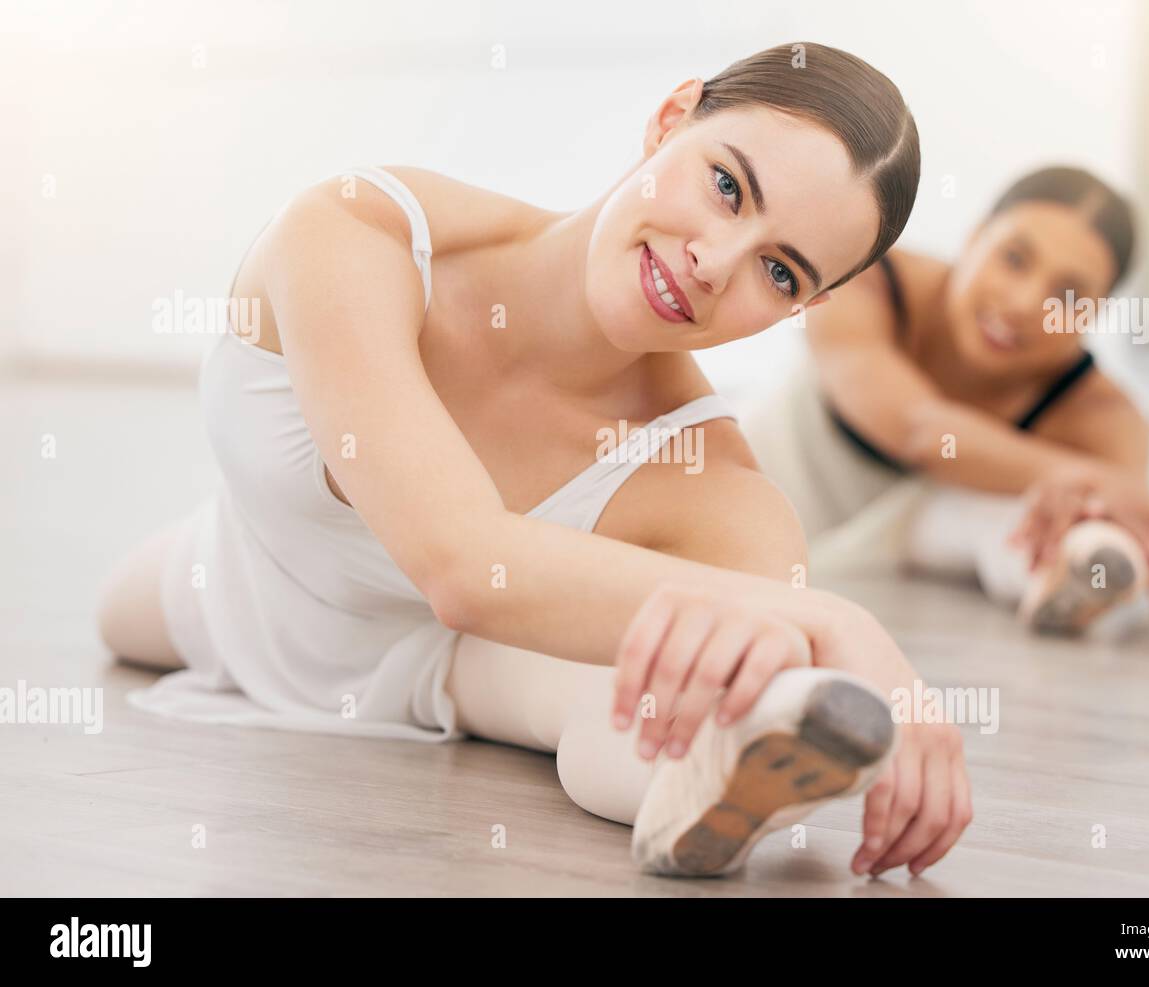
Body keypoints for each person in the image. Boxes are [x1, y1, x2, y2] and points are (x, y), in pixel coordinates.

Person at [96, 43, 971, 879]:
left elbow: (684, 659)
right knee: (114, 617)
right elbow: (462, 563)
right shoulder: (354, 229)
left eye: (779, 274)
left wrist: (787, 662)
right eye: (727, 186)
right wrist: (835, 621)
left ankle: (727, 767)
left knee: (636, 702)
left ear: (800, 309)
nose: (713, 262)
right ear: (671, 117)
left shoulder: (726, 502)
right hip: (235, 576)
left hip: (451, 667)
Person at [743, 166, 1149, 632]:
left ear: (1097, 313)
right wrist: (1084, 475)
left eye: (1068, 295)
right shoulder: (868, 275)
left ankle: (1063, 568)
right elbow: (917, 429)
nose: (1025, 303)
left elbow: (1132, 510)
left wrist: (1104, 513)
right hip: (751, 496)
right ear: (973, 238)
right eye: (1013, 258)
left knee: (1015, 519)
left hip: (894, 555)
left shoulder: (1100, 413)